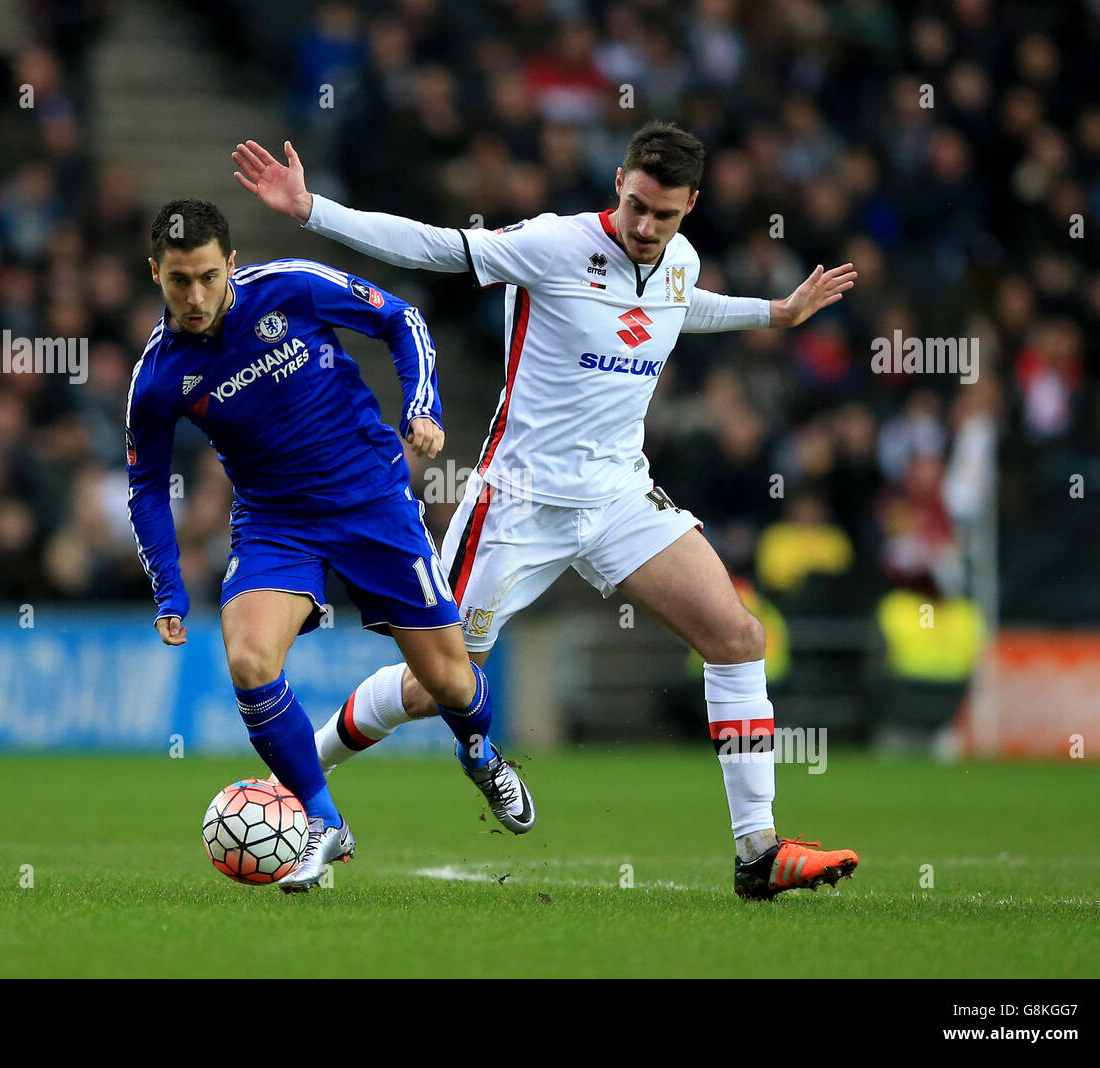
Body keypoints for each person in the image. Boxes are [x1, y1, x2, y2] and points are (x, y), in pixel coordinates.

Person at [233, 121, 861, 899]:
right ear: (619, 183)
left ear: (690, 207)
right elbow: (434, 247)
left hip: (620, 494)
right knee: (436, 689)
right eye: (635, 206)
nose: (644, 227)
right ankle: (298, 773)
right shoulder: (552, 244)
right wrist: (311, 210)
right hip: (517, 502)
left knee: (737, 636)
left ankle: (757, 852)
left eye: (663, 216)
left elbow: (679, 305)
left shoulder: (679, 261)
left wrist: (774, 313)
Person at [125, 198, 532, 891]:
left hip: (371, 501)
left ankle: (478, 751)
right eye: (176, 281)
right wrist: (168, 585)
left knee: (451, 682)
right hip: (274, 522)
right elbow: (145, 487)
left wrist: (422, 404)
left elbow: (401, 318)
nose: (193, 297)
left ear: (230, 264)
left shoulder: (289, 286)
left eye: (204, 277)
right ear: (155, 273)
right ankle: (322, 819)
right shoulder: (159, 378)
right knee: (250, 660)